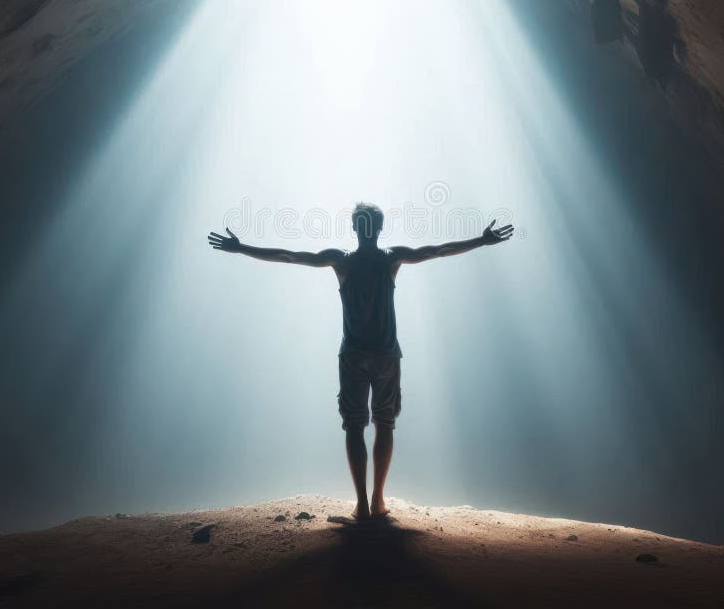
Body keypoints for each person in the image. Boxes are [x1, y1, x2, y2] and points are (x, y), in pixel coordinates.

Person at [208, 202, 513, 520]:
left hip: (354, 355)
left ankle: (363, 506)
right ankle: (377, 501)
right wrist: (481, 240)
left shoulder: (342, 261)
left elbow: (288, 256)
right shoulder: (390, 258)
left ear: (355, 227)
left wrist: (241, 248)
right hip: (385, 355)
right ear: (380, 228)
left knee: (355, 426)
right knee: (385, 423)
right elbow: (439, 251)